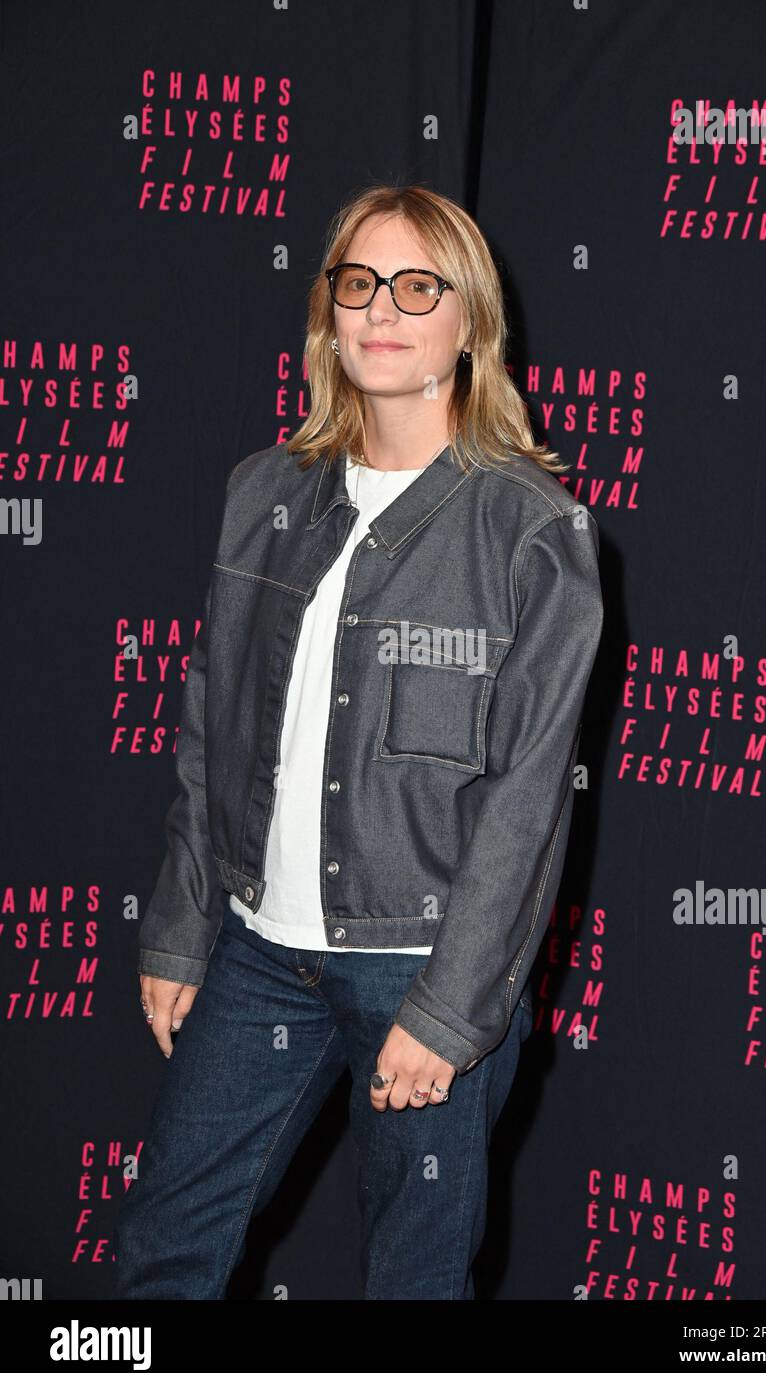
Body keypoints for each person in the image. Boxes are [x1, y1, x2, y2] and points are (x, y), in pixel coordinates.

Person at [112, 183, 603, 1300]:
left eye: (418, 285)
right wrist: (183, 923)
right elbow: (209, 729)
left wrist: (453, 1010)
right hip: (254, 951)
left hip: (421, 965)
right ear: (327, 309)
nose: (382, 310)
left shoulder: (531, 530)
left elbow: (530, 803)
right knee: (161, 1253)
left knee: (413, 1280)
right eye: (358, 282)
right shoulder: (264, 493)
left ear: (468, 321)